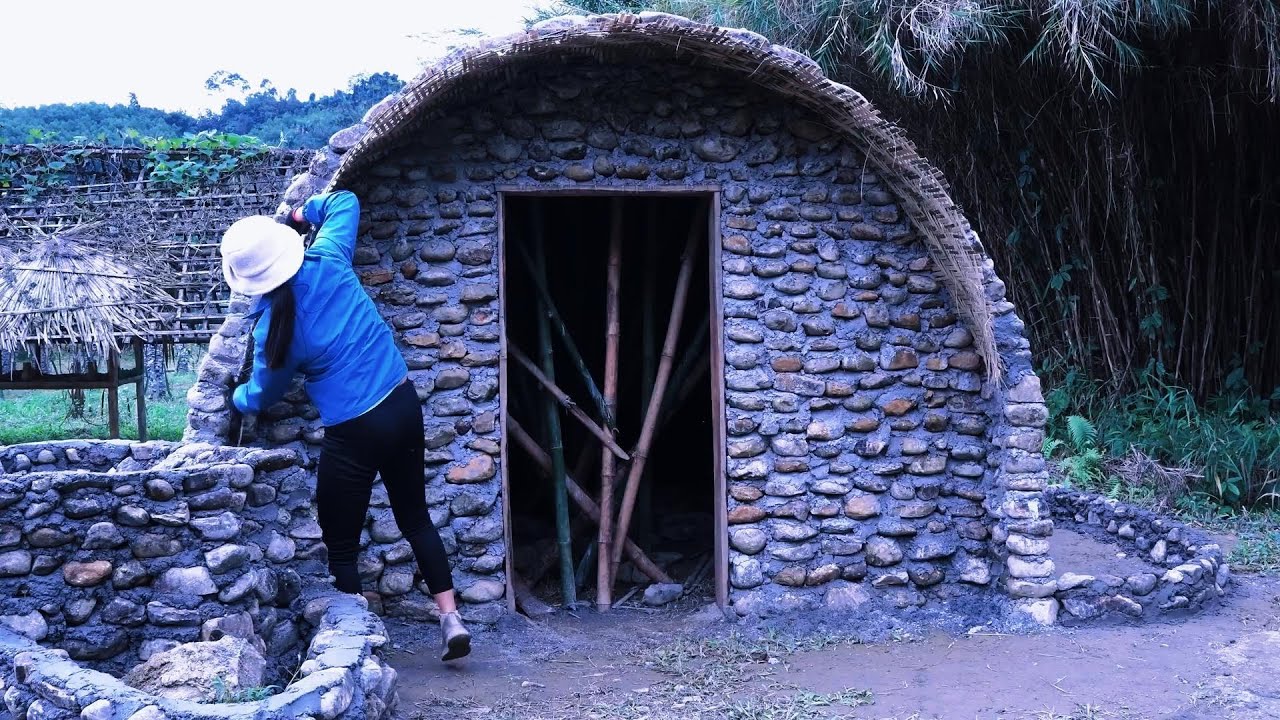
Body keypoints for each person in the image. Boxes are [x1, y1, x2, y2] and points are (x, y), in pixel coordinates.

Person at [220, 190, 471, 662]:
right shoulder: (329, 258)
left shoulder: (273, 328)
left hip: (353, 431)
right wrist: (300, 213)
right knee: (415, 517)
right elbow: (346, 201)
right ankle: (450, 617)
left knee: (340, 541)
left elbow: (261, 394)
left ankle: (358, 649)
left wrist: (233, 396)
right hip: (401, 403)